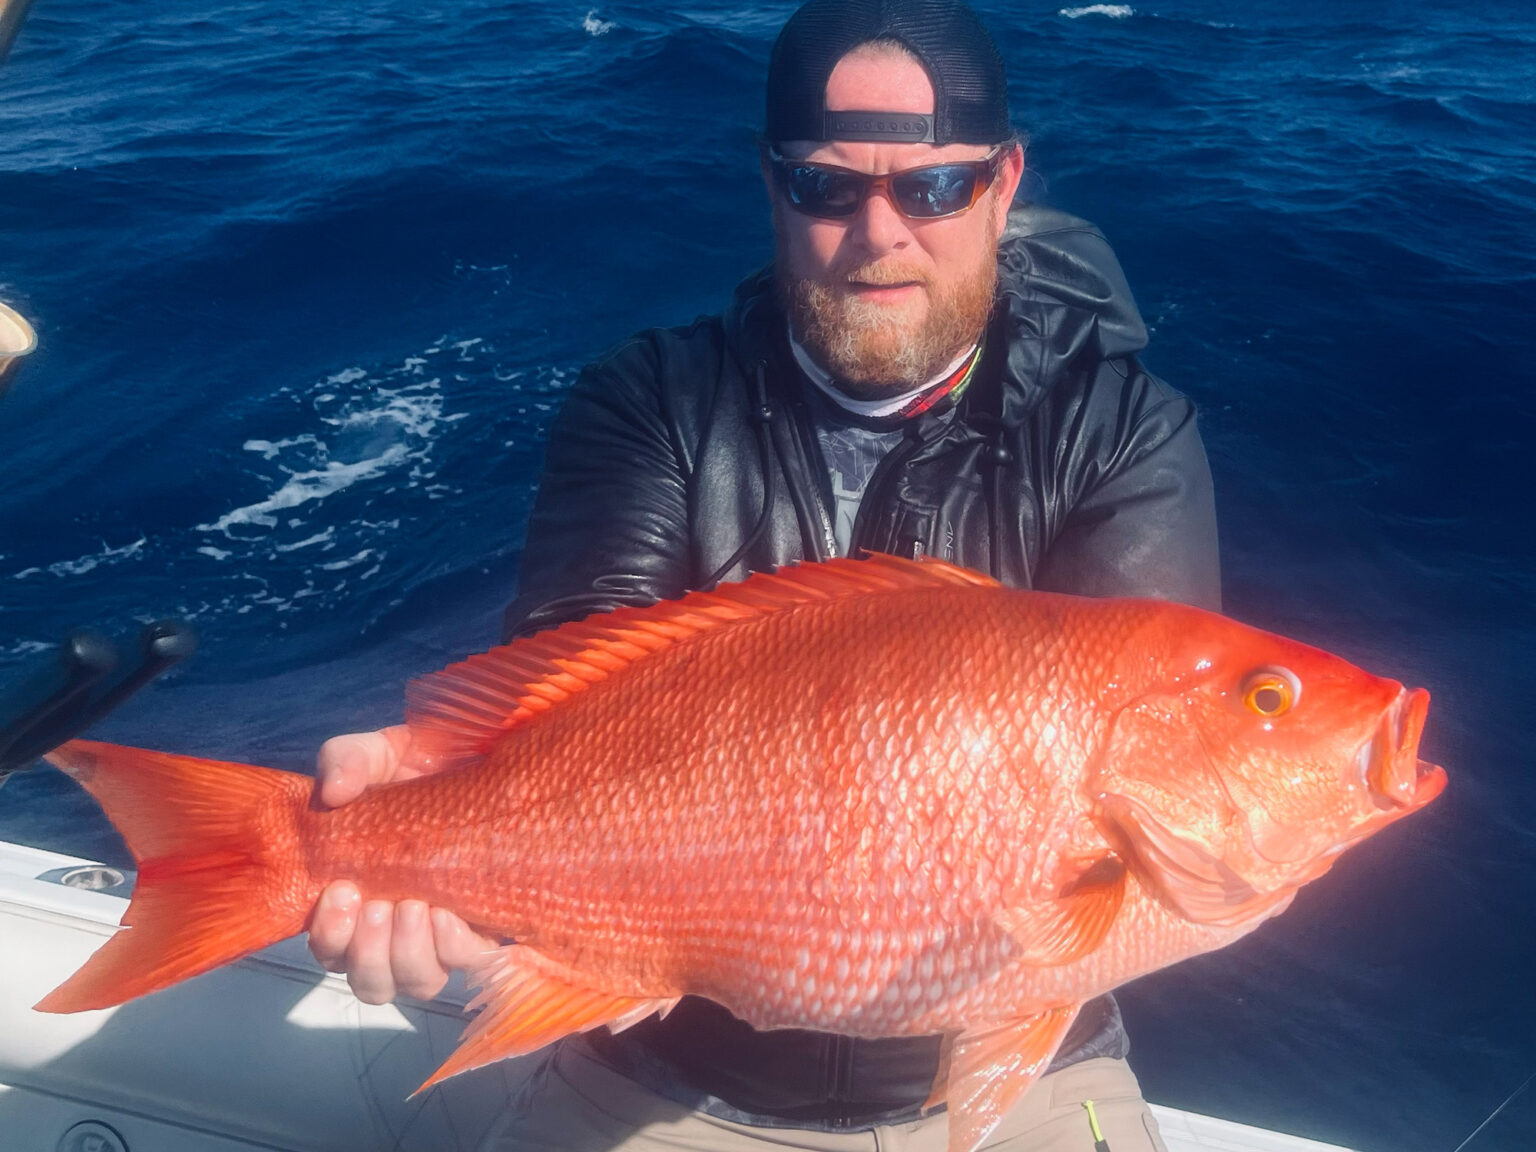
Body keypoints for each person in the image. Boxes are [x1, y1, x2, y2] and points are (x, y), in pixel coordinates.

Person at [309, 0, 1219, 1147]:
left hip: (1026, 1061)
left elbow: (1154, 710)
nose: (880, 231)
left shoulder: (1121, 429)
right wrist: (422, 809)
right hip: (666, 1067)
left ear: (1003, 183)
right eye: (827, 186)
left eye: (934, 186)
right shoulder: (654, 401)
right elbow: (581, 679)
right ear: (771, 185)